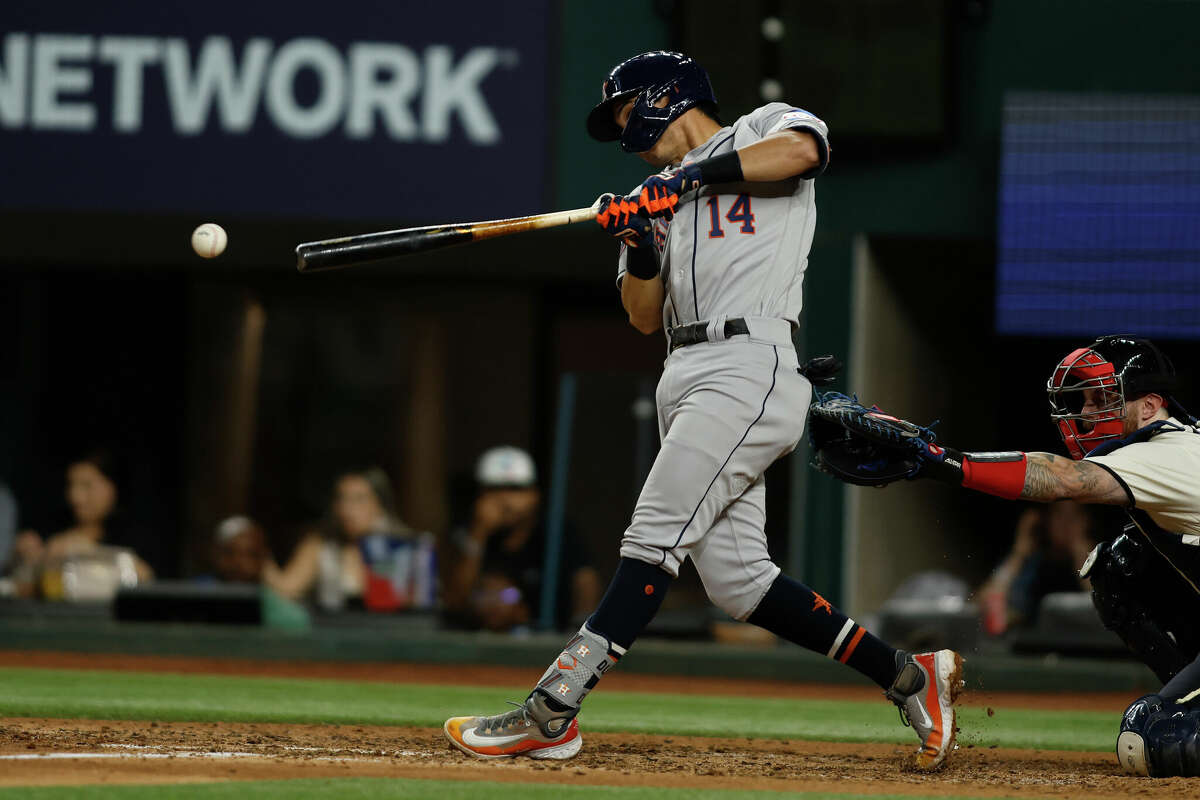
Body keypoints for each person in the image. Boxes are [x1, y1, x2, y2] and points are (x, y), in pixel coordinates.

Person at [443, 51, 963, 770]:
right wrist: (639, 241)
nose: (626, 128)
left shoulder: (762, 128)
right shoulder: (648, 194)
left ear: (665, 96)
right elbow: (641, 316)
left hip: (749, 362)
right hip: (683, 369)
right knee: (739, 581)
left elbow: (805, 152)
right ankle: (910, 676)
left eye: (628, 111)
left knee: (654, 535)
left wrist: (682, 181)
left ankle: (552, 710)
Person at [827, 335, 1199, 778]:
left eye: (1100, 398)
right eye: (1081, 401)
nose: (1083, 413)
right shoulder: (1176, 442)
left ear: (1150, 404)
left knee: (1150, 736)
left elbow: (1065, 480)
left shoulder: (1167, 452)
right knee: (1120, 563)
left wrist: (939, 462)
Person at [445, 446, 601, 632]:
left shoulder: (556, 533)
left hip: (550, 642)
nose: (504, 498)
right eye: (494, 489)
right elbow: (455, 601)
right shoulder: (472, 534)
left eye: (515, 489)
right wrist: (479, 532)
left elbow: (585, 584)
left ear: (533, 495)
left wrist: (578, 632)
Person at [265, 467, 436, 612]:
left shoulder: (405, 546)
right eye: (342, 498)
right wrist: (260, 557)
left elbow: (422, 603)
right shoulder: (321, 544)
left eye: (359, 499)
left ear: (380, 504)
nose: (347, 509)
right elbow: (286, 588)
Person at [9, 452, 155, 588]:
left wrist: (91, 552)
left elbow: (146, 578)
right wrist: (30, 560)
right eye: (71, 485)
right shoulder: (54, 527)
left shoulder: (133, 533)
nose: (75, 497)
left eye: (87, 486)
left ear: (112, 487)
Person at [978, 500, 1097, 633]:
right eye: (1059, 515)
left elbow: (1105, 608)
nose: (1066, 524)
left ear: (1086, 521)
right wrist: (1018, 554)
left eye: (1073, 516)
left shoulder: (1098, 559)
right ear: (1047, 520)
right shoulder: (1031, 560)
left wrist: (1084, 560)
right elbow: (986, 603)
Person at [211, 516, 272, 585]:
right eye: (230, 554)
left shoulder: (277, 591)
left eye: (251, 555)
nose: (239, 563)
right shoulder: (203, 588)